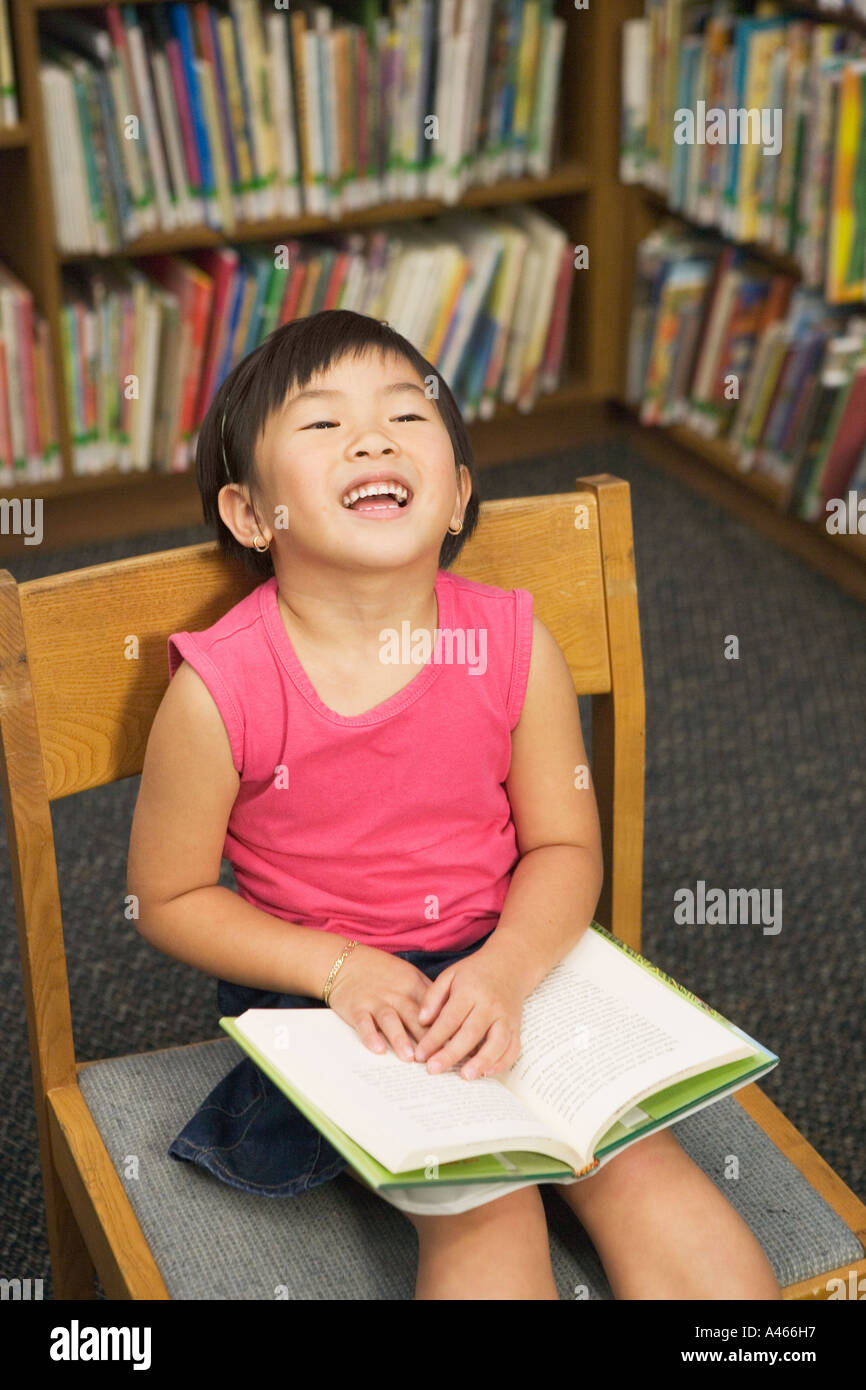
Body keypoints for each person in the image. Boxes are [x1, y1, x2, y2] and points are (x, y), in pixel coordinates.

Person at [127, 308, 781, 1300]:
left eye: (406, 415)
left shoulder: (516, 644)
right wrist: (340, 967)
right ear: (252, 516)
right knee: (489, 1203)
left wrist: (508, 972)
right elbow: (167, 898)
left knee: (639, 1164)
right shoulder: (219, 688)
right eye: (320, 425)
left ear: (457, 495)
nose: (372, 436)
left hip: (515, 955)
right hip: (336, 999)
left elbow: (563, 847)